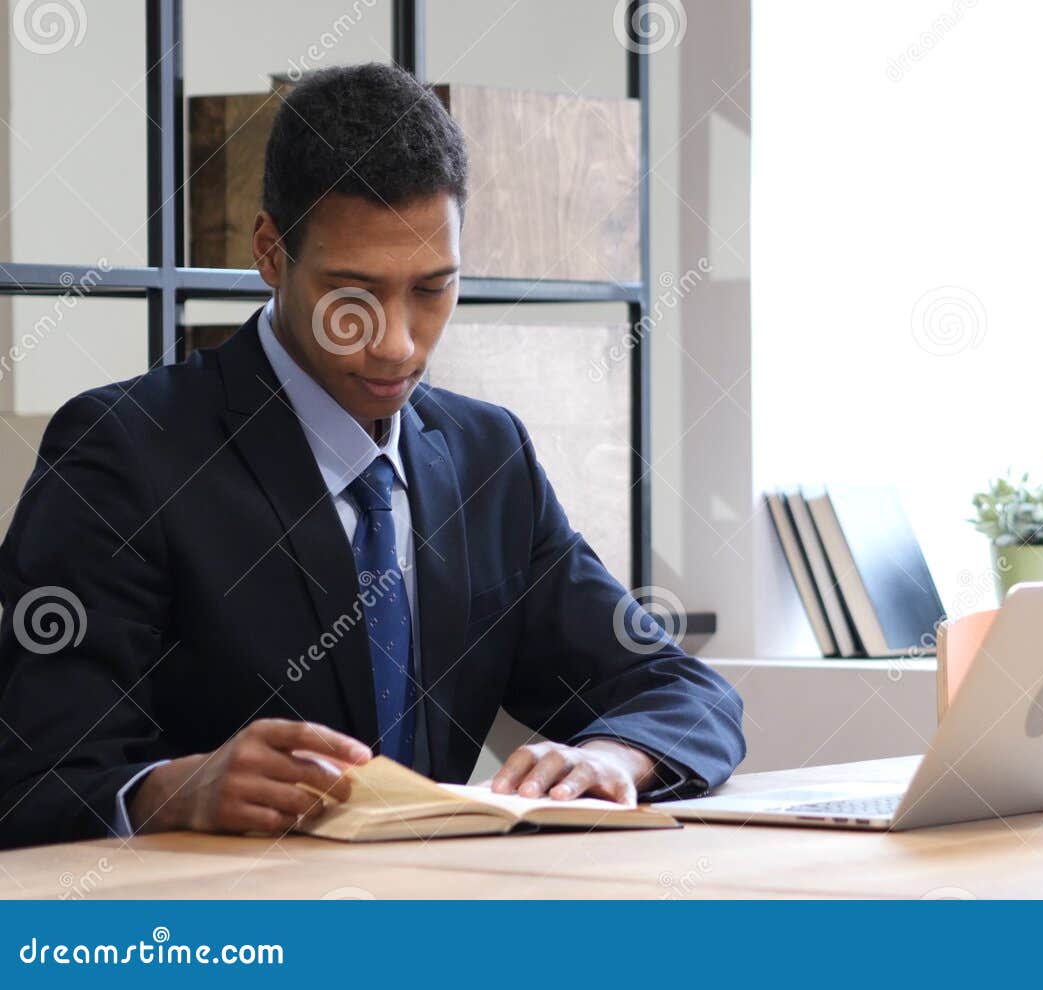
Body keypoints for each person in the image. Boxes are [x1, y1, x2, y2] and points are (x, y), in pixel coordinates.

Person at [0, 62, 744, 849]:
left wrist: (612, 757)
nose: (395, 342)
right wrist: (173, 790)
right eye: (352, 293)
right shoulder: (124, 452)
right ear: (270, 252)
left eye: (432, 290)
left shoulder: (487, 459)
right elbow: (31, 778)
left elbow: (686, 692)